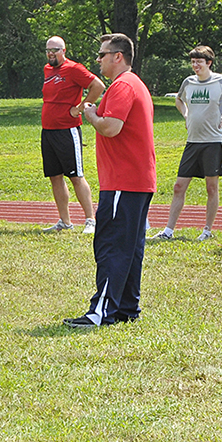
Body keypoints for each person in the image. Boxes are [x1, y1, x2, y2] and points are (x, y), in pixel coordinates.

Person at [63, 33, 156, 328]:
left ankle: (100, 311)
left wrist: (90, 114)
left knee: (112, 246)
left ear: (118, 56)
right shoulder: (133, 84)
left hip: (123, 180)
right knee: (129, 247)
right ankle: (125, 308)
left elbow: (111, 127)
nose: (98, 60)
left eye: (102, 54)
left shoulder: (123, 86)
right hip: (135, 180)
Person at [151, 45, 222, 242]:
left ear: (209, 63)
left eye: (199, 61)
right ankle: (168, 230)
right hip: (193, 142)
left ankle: (207, 230)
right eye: (193, 62)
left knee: (211, 187)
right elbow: (179, 100)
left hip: (213, 142)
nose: (195, 65)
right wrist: (186, 114)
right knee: (179, 186)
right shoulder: (188, 82)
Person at [41, 35, 105, 234]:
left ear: (64, 50)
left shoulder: (74, 69)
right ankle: (64, 221)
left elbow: (98, 86)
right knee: (55, 176)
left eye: (55, 50)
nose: (51, 53)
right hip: (48, 131)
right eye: (48, 50)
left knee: (76, 175)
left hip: (67, 130)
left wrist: (80, 108)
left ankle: (90, 220)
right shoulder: (47, 69)